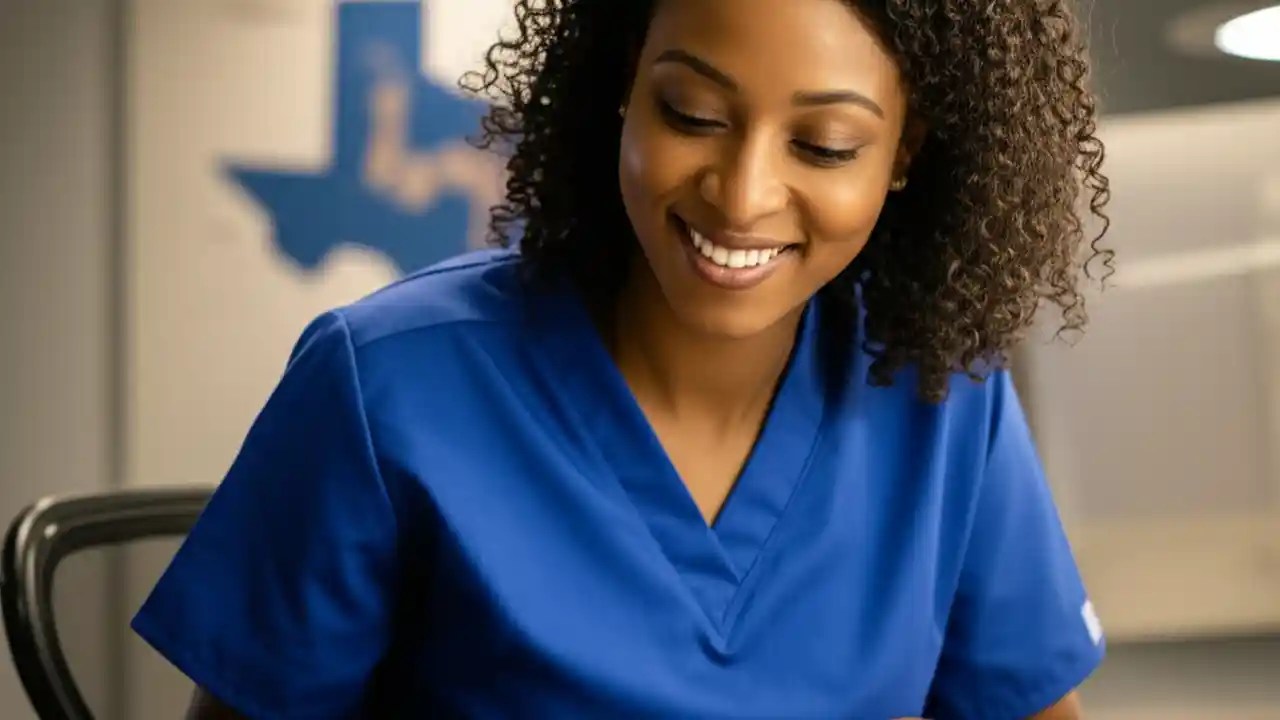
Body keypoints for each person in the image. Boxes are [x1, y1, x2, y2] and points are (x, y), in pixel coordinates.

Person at [134, 0, 1113, 717]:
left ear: (903, 154)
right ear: (622, 88)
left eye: (822, 145)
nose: (742, 196)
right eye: (691, 113)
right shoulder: (386, 386)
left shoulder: (941, 393)